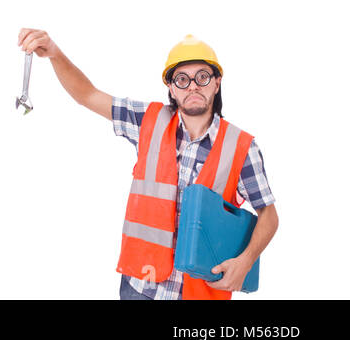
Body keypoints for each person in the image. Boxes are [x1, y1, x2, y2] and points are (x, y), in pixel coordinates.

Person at [18, 29, 278, 299]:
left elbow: (269, 216)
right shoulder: (148, 122)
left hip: (198, 293)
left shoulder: (243, 147)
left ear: (216, 82)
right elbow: (87, 95)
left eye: (202, 77)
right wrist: (55, 54)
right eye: (182, 79)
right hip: (140, 288)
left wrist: (246, 260)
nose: (192, 86)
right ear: (171, 88)